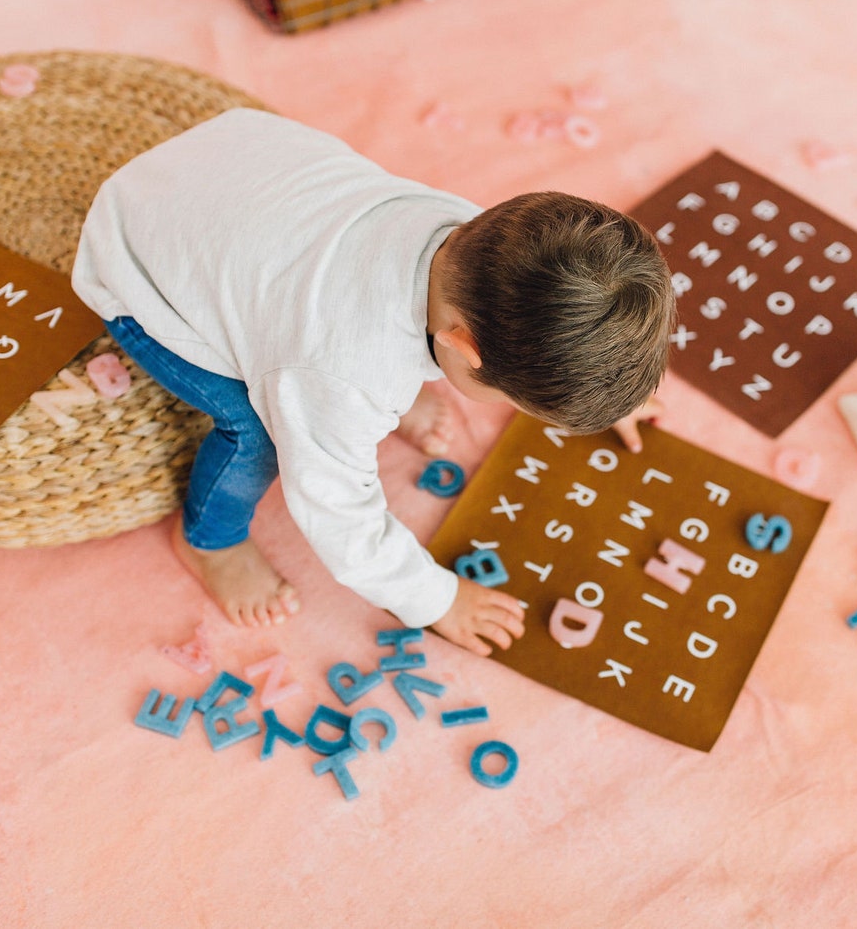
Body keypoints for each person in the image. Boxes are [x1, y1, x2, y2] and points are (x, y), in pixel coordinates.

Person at [71, 108, 674, 656]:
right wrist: (437, 600)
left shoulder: (494, 240)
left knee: (351, 384)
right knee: (259, 430)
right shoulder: (338, 374)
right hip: (137, 268)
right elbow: (343, 522)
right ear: (463, 349)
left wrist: (603, 380)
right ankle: (211, 542)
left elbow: (542, 317)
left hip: (235, 157)